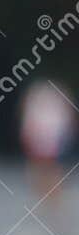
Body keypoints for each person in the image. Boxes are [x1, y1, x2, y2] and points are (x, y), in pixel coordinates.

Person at [21, 80, 76, 223]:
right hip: (43, 139)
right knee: (41, 169)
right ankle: (47, 197)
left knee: (51, 169)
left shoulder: (54, 104)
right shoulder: (37, 103)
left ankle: (53, 199)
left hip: (53, 140)